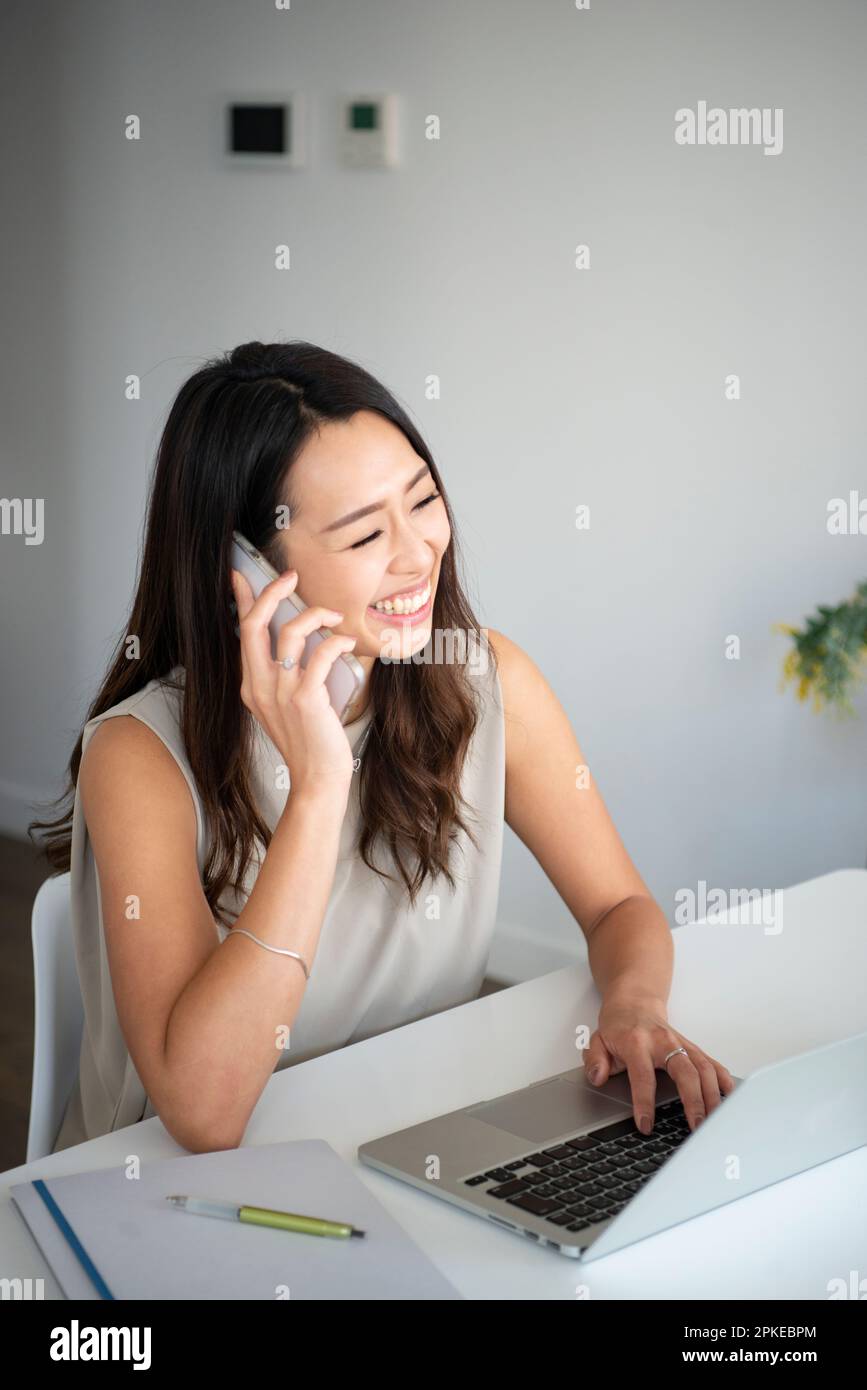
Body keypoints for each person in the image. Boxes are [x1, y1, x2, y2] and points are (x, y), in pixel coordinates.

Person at [30, 339, 734, 1154]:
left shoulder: (485, 681)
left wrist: (635, 1008)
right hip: (176, 1194)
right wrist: (319, 786)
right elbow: (203, 1114)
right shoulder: (140, 757)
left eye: (423, 500)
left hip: (407, 1142)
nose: (417, 553)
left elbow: (619, 908)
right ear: (245, 571)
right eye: (365, 537)